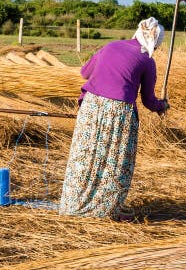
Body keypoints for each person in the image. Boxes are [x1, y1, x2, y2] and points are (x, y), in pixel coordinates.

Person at [58, 17, 169, 220]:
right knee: (113, 161)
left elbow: (84, 72)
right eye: (158, 45)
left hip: (91, 107)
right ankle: (105, 209)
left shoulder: (110, 46)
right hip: (118, 113)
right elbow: (148, 100)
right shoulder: (147, 61)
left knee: (85, 155)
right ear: (155, 41)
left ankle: (74, 204)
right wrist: (162, 106)